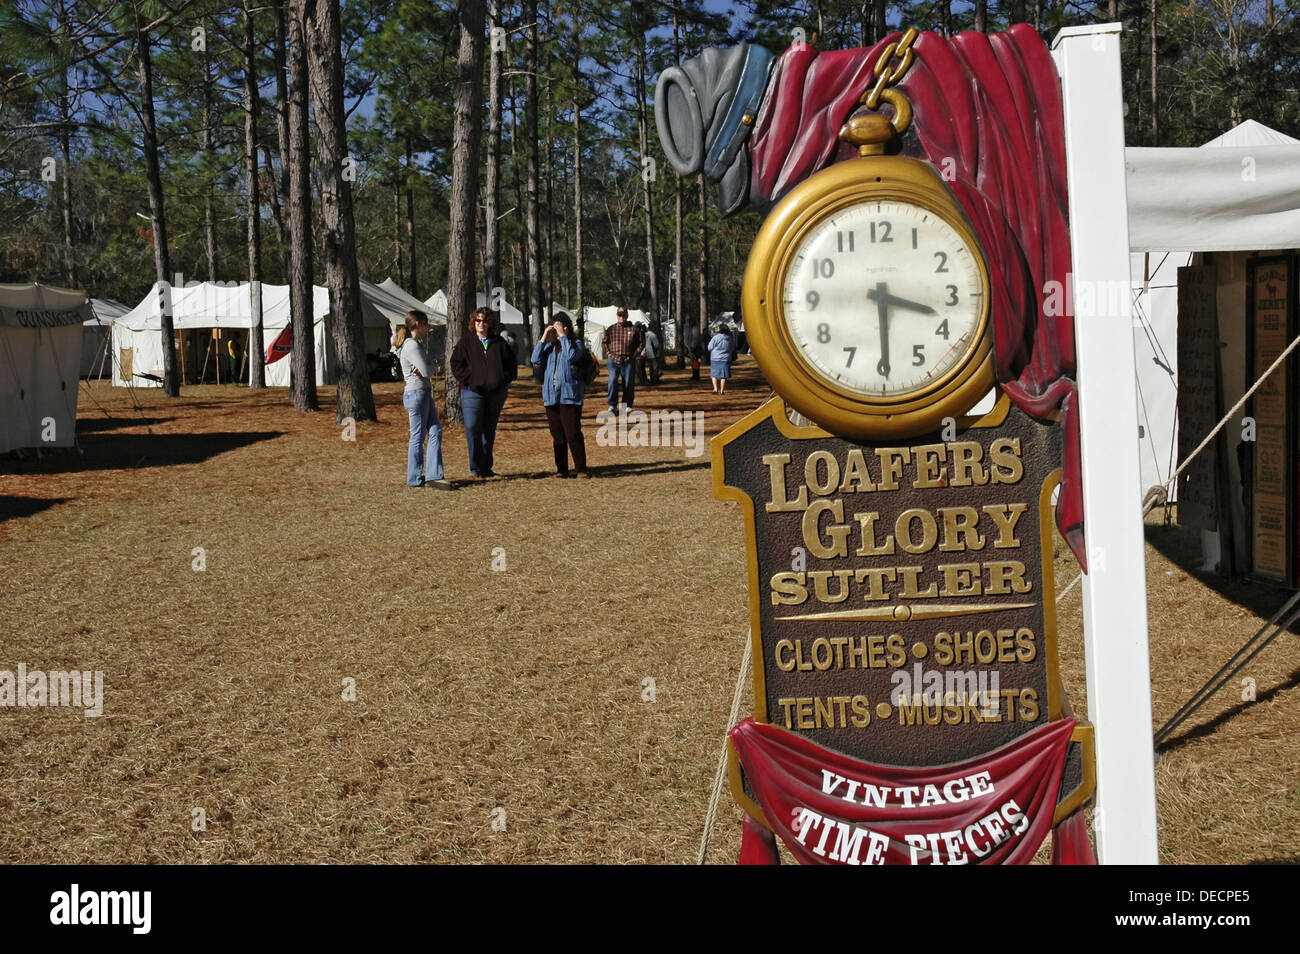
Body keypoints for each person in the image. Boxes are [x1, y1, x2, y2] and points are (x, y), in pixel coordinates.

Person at [451, 307, 516, 478]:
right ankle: (475, 467)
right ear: (473, 323)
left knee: (489, 430)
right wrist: (470, 379)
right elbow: (456, 363)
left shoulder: (499, 342)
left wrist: (503, 380)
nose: (481, 324)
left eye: (485, 321)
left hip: (495, 393)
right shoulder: (466, 342)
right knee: (472, 428)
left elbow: (511, 364)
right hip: (472, 392)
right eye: (478, 320)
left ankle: (486, 467)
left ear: (490, 324)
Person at [531, 312, 590, 478]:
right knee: (557, 435)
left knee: (572, 433)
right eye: (554, 327)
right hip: (551, 396)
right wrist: (544, 337)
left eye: (559, 327)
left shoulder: (576, 344)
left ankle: (581, 469)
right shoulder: (549, 347)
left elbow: (572, 356)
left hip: (569, 395)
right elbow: (535, 359)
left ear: (566, 327)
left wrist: (563, 337)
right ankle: (562, 469)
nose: (556, 331)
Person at [394, 311, 449, 489]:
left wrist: (430, 367)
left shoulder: (415, 344)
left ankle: (434, 475)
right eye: (425, 324)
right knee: (417, 437)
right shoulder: (411, 346)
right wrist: (432, 367)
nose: (427, 328)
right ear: (417, 324)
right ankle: (414, 478)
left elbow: (427, 368)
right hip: (417, 394)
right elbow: (426, 371)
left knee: (435, 431)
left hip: (423, 392)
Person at [601, 307, 643, 412]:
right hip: (613, 359)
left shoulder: (634, 329)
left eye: (623, 315)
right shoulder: (611, 329)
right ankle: (612, 404)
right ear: (617, 316)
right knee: (612, 381)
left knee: (628, 383)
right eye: (620, 315)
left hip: (628, 359)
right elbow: (604, 342)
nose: (622, 317)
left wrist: (634, 354)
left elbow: (641, 343)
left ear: (627, 316)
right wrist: (608, 353)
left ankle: (627, 405)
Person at [709, 321, 735, 394]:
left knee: (714, 374)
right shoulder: (729, 338)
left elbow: (709, 347)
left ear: (720, 329)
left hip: (715, 358)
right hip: (726, 359)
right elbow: (732, 348)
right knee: (724, 376)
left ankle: (715, 389)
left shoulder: (715, 337)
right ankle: (722, 391)